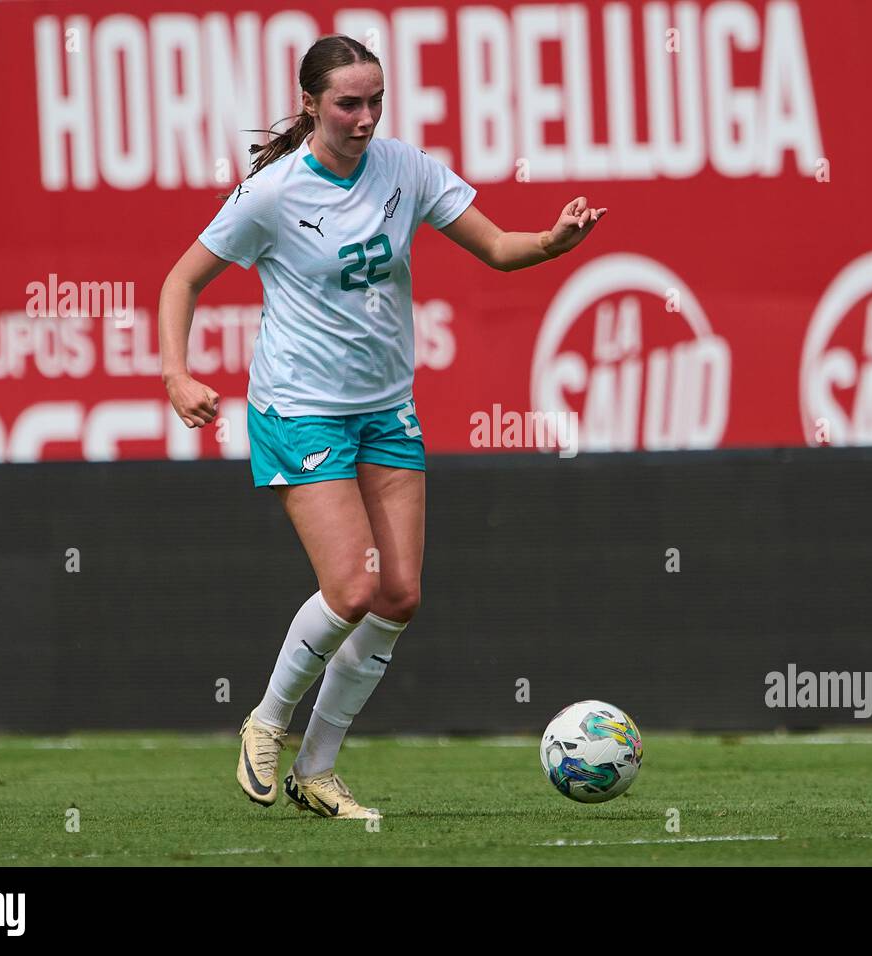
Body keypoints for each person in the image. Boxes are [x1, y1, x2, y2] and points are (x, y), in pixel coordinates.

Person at [158, 33, 607, 819]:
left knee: (398, 597)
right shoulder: (275, 193)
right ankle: (264, 723)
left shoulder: (406, 167)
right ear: (310, 105)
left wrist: (552, 241)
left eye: (375, 101)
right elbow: (182, 279)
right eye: (347, 104)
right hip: (299, 408)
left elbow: (500, 248)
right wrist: (176, 372)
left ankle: (318, 771)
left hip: (386, 407)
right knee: (355, 586)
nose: (365, 118)